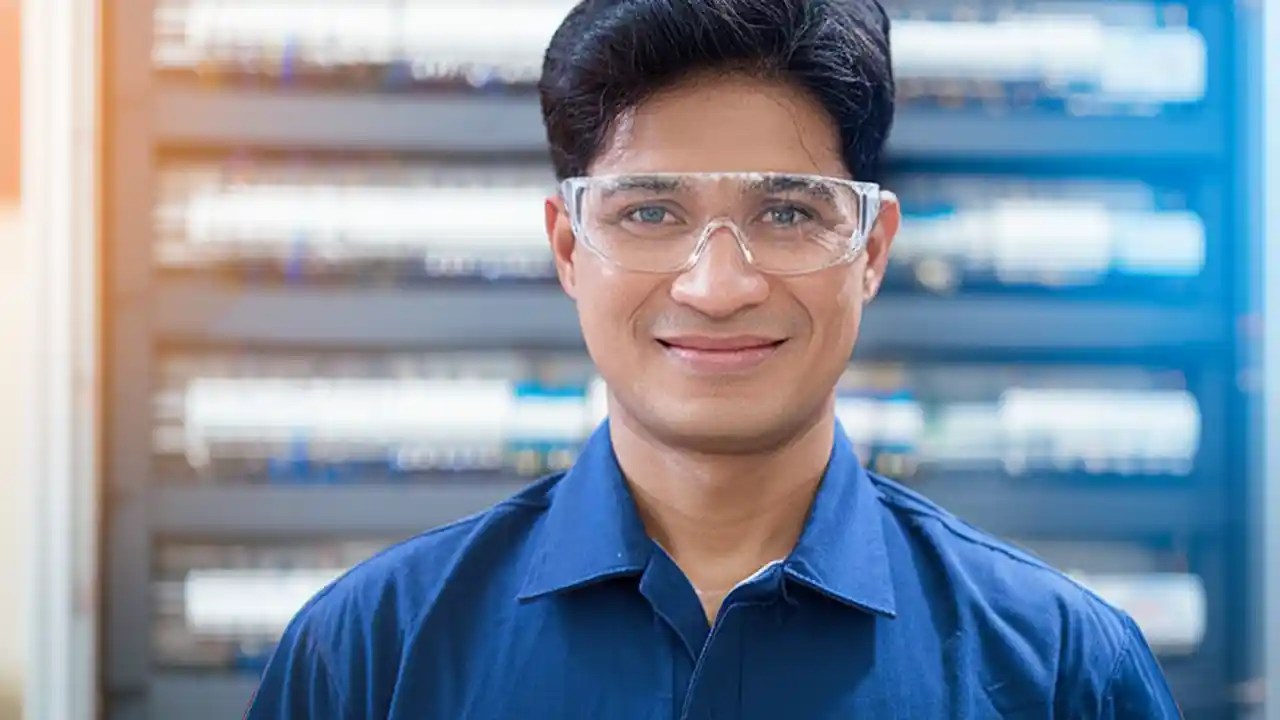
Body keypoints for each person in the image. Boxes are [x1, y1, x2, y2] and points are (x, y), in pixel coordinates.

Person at [246, 0, 1182, 717]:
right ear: (568, 249)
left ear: (871, 251)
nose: (718, 285)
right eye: (650, 212)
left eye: (789, 212)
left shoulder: (1062, 671)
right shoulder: (370, 657)